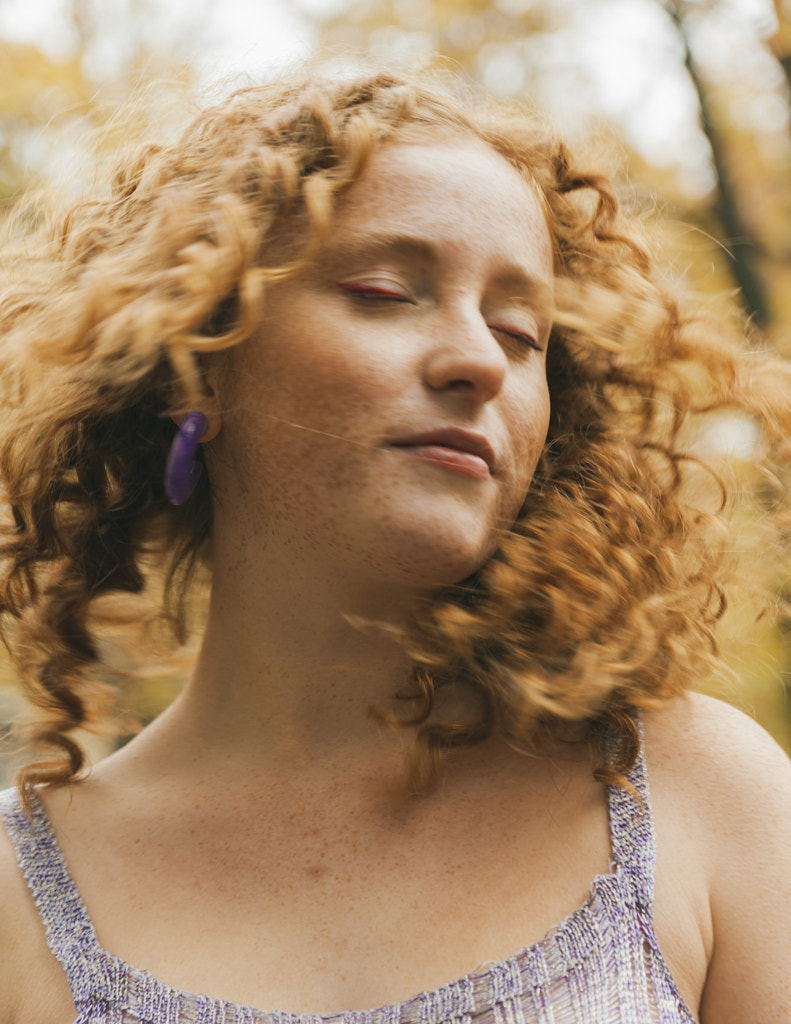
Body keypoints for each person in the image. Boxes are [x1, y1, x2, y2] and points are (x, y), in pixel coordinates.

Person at [0, 66, 789, 1024]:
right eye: (383, 292)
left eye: (519, 331)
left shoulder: (698, 797)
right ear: (196, 363)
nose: (477, 363)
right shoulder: (21, 902)